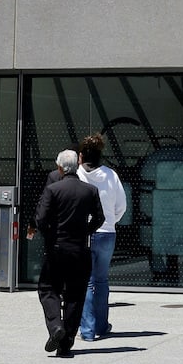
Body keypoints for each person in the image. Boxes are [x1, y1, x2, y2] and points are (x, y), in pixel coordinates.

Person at [34, 149, 103, 357]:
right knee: (75, 295)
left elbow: (40, 219)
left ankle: (56, 325)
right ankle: (66, 343)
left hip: (57, 248)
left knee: (48, 288)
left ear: (60, 168)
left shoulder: (53, 189)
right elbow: (99, 218)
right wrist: (85, 231)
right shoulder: (90, 190)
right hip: (80, 249)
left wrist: (50, 235)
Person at [75, 133, 127, 342]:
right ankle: (102, 325)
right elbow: (121, 205)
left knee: (85, 282)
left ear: (81, 156)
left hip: (83, 233)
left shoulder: (77, 174)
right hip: (107, 232)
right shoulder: (111, 175)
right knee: (102, 280)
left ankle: (86, 330)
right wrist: (111, 221)